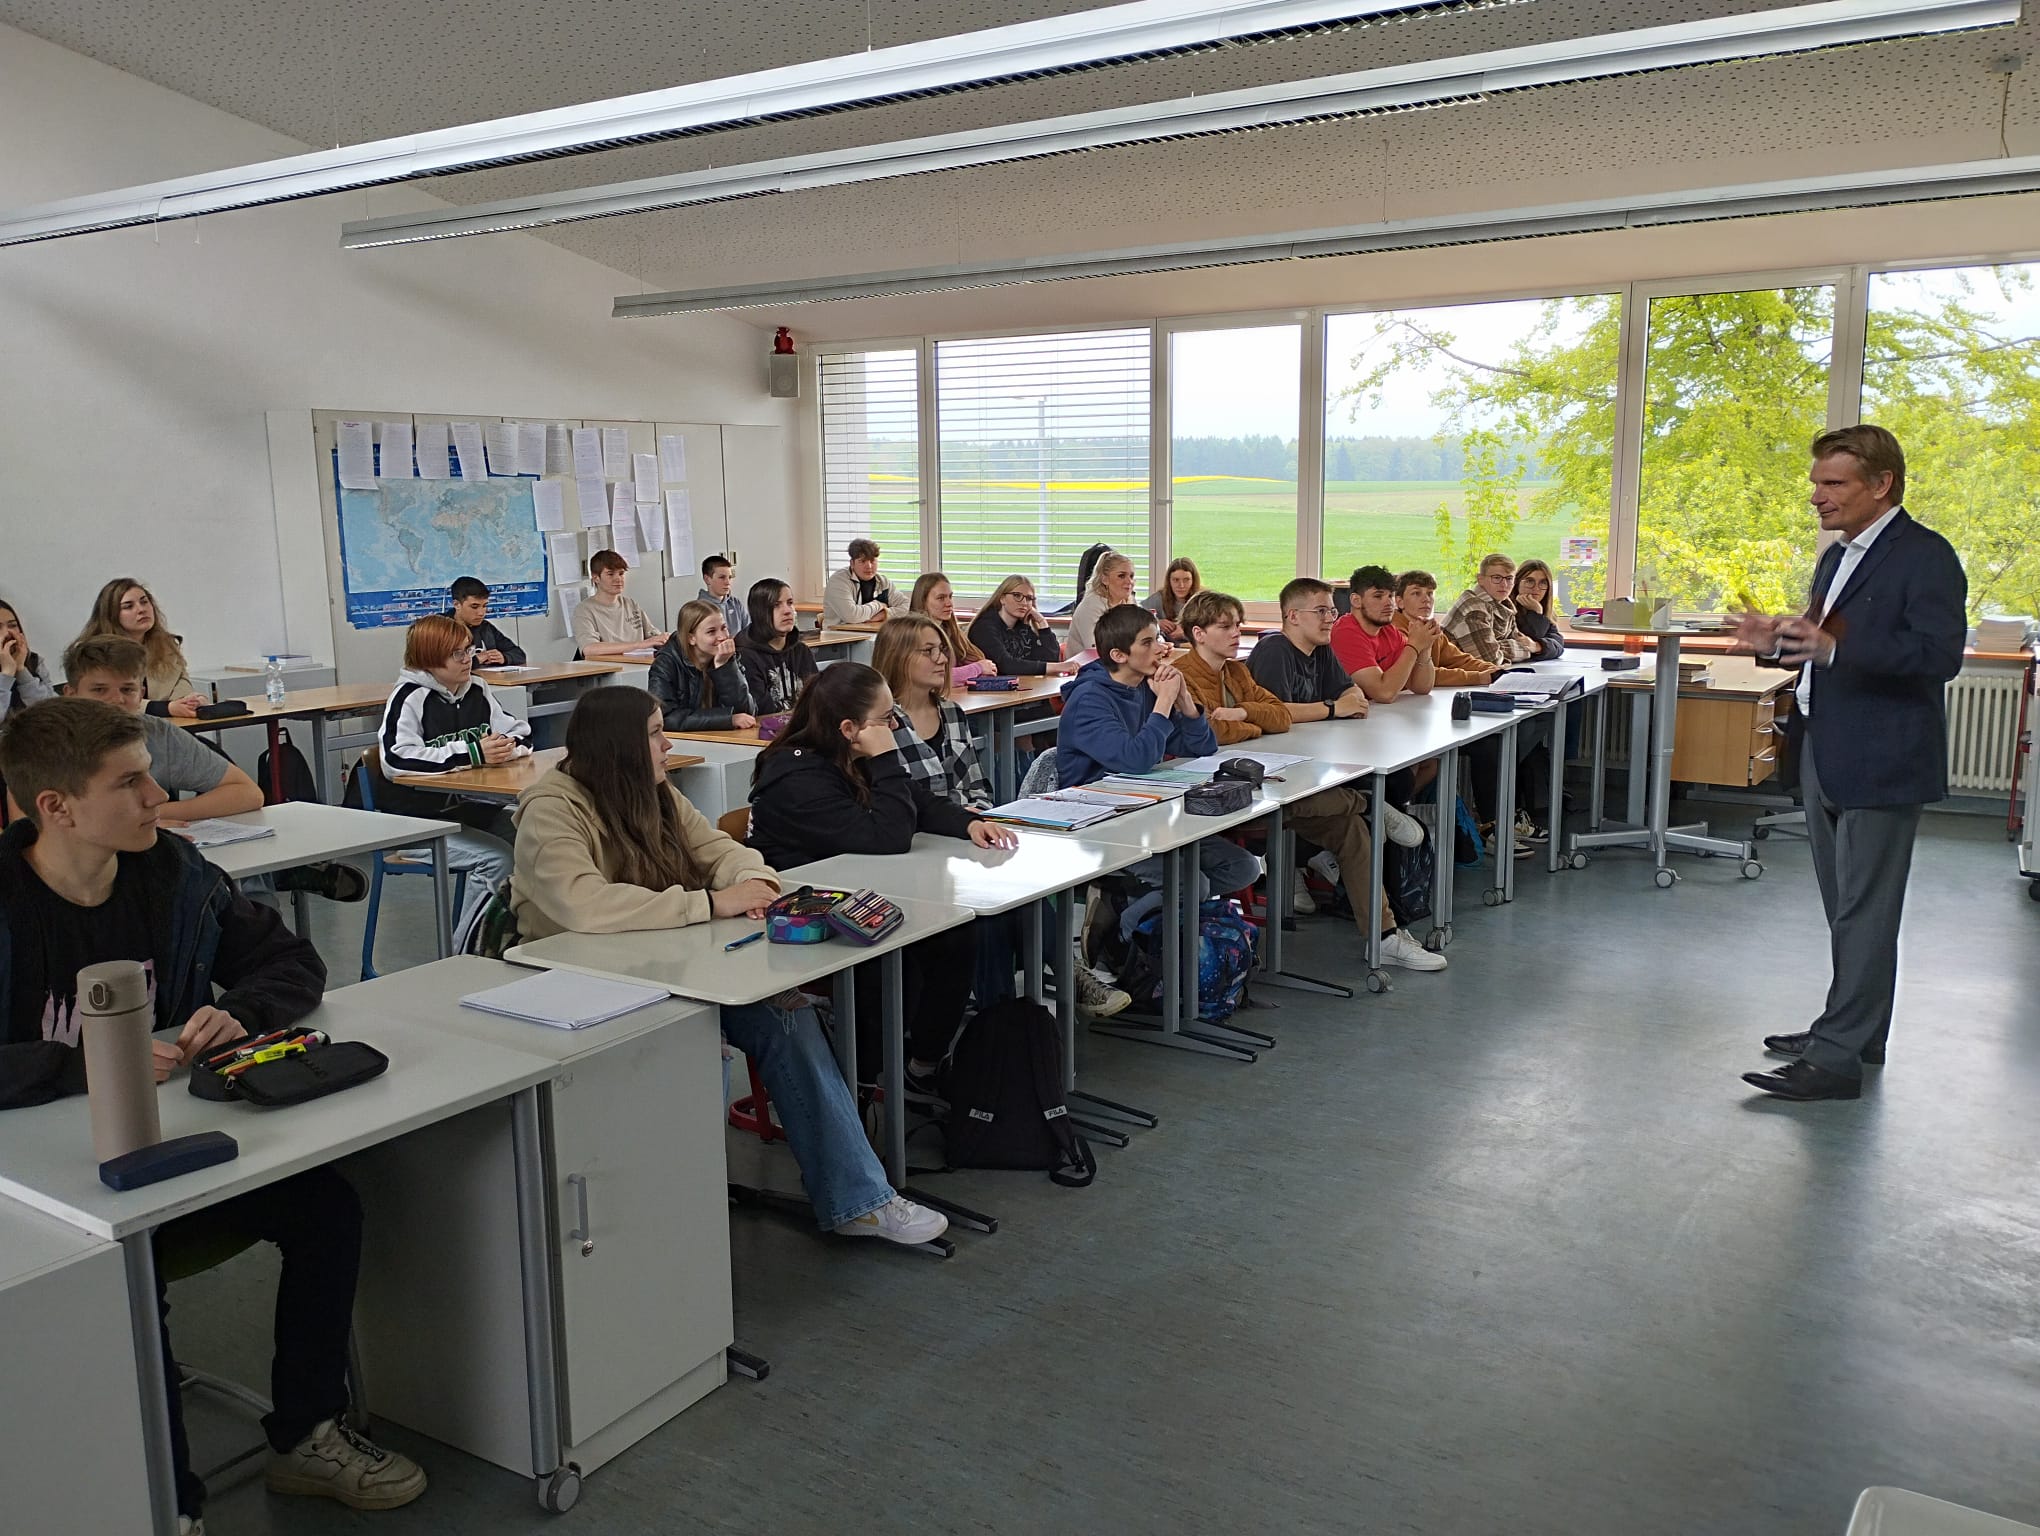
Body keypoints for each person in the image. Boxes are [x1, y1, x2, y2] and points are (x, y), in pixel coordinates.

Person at [0, 697, 429, 1527]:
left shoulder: (175, 875)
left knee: (326, 1208)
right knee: (121, 1276)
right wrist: (72, 1066)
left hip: (176, 1148)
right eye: (130, 784)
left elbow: (289, 960)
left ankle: (306, 1433)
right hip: (39, 1194)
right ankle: (172, 1504)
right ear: (56, 807)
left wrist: (245, 1010)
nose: (158, 798)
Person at [511, 686, 946, 1245]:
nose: (667, 745)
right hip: (581, 980)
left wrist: (752, 880)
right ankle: (677, 1218)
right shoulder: (552, 808)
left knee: (788, 1017)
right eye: (653, 734)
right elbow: (584, 905)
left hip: (665, 959)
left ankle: (858, 1201)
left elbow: (720, 848)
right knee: (697, 1047)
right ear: (617, 747)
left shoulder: (656, 791)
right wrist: (711, 903)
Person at [1735, 425, 1966, 1102]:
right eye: (1816, 482)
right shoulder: (1840, 557)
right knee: (1848, 911)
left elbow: (1937, 657)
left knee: (1865, 910)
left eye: (1833, 483)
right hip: (1827, 749)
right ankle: (1856, 1031)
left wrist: (1834, 651)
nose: (1817, 496)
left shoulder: (1926, 557)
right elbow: (1821, 639)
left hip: (1883, 759)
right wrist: (1775, 641)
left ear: (1881, 484)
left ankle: (1835, 1059)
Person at [747, 664, 1007, 1089]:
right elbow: (889, 836)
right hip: (802, 919)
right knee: (898, 955)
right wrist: (887, 756)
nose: (896, 725)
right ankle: (863, 1083)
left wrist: (965, 823)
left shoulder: (844, 753)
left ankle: (923, 1063)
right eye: (887, 719)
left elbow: (912, 800)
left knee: (956, 932)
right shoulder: (796, 776)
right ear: (849, 727)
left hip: (858, 890)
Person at [63, 637, 367, 905]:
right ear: (71, 694)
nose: (116, 701)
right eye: (100, 690)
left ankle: (265, 921)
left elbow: (246, 794)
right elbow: (33, 825)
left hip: (157, 853)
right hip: (86, 869)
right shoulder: (49, 744)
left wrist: (163, 813)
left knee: (241, 870)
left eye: (127, 689)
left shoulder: (156, 733)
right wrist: (138, 821)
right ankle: (283, 878)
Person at [1236, 584, 1444, 971]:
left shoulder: (1323, 651)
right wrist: (1332, 708)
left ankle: (1383, 938)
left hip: (1308, 766)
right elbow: (1276, 714)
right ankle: (1370, 805)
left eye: (1333, 612)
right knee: (1349, 802)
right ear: (1293, 616)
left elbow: (1355, 696)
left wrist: (1333, 705)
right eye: (1322, 612)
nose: (1331, 619)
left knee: (1354, 830)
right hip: (1269, 780)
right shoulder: (1274, 651)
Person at [1058, 603, 1263, 931]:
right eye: (1147, 642)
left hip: (1147, 811)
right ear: (1119, 655)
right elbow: (1135, 760)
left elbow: (1202, 748)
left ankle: (1140, 909)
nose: (1160, 649)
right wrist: (1164, 702)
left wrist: (1184, 702)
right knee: (1194, 885)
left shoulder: (1143, 687)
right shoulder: (1090, 700)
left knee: (1242, 868)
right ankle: (1118, 934)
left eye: (1158, 639)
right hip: (1101, 822)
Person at [366, 615, 529, 938]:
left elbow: (522, 732)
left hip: (469, 809)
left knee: (535, 834)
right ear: (429, 658)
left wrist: (505, 749)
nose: (468, 660)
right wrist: (472, 753)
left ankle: (521, 934)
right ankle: (469, 946)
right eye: (458, 654)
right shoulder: (410, 697)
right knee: (498, 859)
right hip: (415, 823)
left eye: (469, 650)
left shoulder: (477, 689)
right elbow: (396, 759)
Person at [872, 614, 993, 809]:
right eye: (929, 651)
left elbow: (978, 788)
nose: (943, 659)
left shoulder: (952, 712)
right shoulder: (882, 722)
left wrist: (976, 815)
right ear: (898, 656)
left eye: (942, 650)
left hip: (966, 829)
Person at [80, 577, 204, 717]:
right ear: (111, 615)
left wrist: (192, 701)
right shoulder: (95, 652)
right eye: (128, 606)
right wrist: (165, 708)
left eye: (144, 602)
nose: (141, 610)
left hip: (171, 725)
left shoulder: (167, 644)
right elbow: (109, 700)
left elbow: (181, 682)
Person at [1330, 564, 1439, 702]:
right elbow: (1384, 693)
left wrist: (1425, 645)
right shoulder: (1345, 633)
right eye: (1378, 596)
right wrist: (1414, 646)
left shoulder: (1388, 630)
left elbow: (1421, 687)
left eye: (1390, 596)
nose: (1388, 603)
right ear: (1356, 601)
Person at [647, 599, 758, 733]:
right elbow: (665, 718)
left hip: (721, 739)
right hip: (682, 743)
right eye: (711, 632)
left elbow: (747, 712)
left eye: (724, 628)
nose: (722, 637)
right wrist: (728, 720)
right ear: (691, 638)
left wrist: (725, 667)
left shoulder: (727, 657)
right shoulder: (666, 663)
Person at [1393, 571, 1500, 687]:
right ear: (1400, 602)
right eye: (1416, 593)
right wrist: (1478, 677)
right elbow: (1418, 675)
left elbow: (1459, 660)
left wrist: (1496, 671)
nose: (1426, 599)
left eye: (1430, 593)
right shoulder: (1395, 632)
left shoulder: (1430, 628)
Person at [966, 575, 1078, 677]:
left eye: (1029, 598)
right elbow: (1006, 665)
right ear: (1002, 598)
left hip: (1019, 689)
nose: (1024, 603)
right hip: (989, 693)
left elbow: (1050, 659)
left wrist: (1043, 624)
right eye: (1017, 596)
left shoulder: (1021, 627)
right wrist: (1059, 667)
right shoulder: (984, 627)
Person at [734, 578, 817, 715]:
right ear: (760, 612)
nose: (787, 611)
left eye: (790, 603)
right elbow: (760, 710)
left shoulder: (801, 651)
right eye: (776, 605)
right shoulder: (745, 655)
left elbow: (816, 698)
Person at [1442, 553, 1538, 667]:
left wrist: (1498, 647)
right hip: (1452, 678)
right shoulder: (1474, 610)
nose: (1504, 584)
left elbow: (1521, 641)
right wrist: (1525, 649)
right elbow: (1490, 660)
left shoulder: (1504, 606)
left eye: (1509, 578)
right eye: (1496, 578)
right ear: (1480, 579)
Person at [571, 549, 668, 660]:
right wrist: (639, 645)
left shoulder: (631, 604)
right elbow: (589, 649)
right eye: (610, 574)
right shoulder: (584, 610)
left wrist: (664, 639)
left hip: (640, 667)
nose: (618, 579)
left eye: (621, 573)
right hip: (608, 672)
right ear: (596, 578)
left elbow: (653, 636)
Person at [909, 572, 995, 683]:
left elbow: (980, 665)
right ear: (923, 601)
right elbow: (934, 675)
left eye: (950, 596)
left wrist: (983, 669)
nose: (949, 603)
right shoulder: (915, 634)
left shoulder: (949, 629)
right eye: (941, 598)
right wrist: (977, 668)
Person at [822, 538, 907, 627]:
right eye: (862, 561)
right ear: (852, 563)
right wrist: (879, 604)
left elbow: (907, 606)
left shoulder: (883, 582)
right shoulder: (838, 581)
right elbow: (852, 616)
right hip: (837, 637)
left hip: (870, 634)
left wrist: (885, 614)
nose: (869, 566)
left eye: (872, 561)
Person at [1068, 550, 1136, 655]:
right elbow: (1095, 650)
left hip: (1118, 663)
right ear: (1105, 579)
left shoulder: (1129, 601)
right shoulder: (1091, 607)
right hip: (1088, 667)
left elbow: (1143, 633)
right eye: (1121, 576)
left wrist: (1158, 645)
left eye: (1131, 576)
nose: (1129, 582)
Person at [446, 577, 526, 667]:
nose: (481, 613)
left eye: (484, 606)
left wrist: (504, 657)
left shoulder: (485, 627)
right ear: (457, 605)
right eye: (474, 607)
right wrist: (476, 660)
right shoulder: (440, 628)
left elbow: (519, 654)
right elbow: (441, 663)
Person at [0, 597, 54, 722]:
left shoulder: (34, 661)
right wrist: (6, 674)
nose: (7, 633)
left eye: (13, 625)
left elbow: (52, 711)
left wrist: (21, 670)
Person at [1511, 559, 1566, 660]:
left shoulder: (1547, 611)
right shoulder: (1507, 609)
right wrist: (1536, 613)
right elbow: (1527, 642)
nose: (1536, 588)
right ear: (1517, 582)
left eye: (1543, 583)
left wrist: (1537, 646)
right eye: (1529, 581)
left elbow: (1558, 645)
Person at [1143, 557, 1203, 643]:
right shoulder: (1159, 598)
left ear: (1193, 581)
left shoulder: (1202, 600)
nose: (1181, 585)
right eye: (1176, 580)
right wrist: (1156, 623)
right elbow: (1138, 619)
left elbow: (1213, 631)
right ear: (1169, 581)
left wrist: (1186, 632)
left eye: (1186, 580)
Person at [698, 553, 746, 639]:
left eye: (730, 577)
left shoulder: (735, 603)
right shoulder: (698, 608)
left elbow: (749, 631)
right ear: (707, 579)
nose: (728, 582)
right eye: (722, 577)